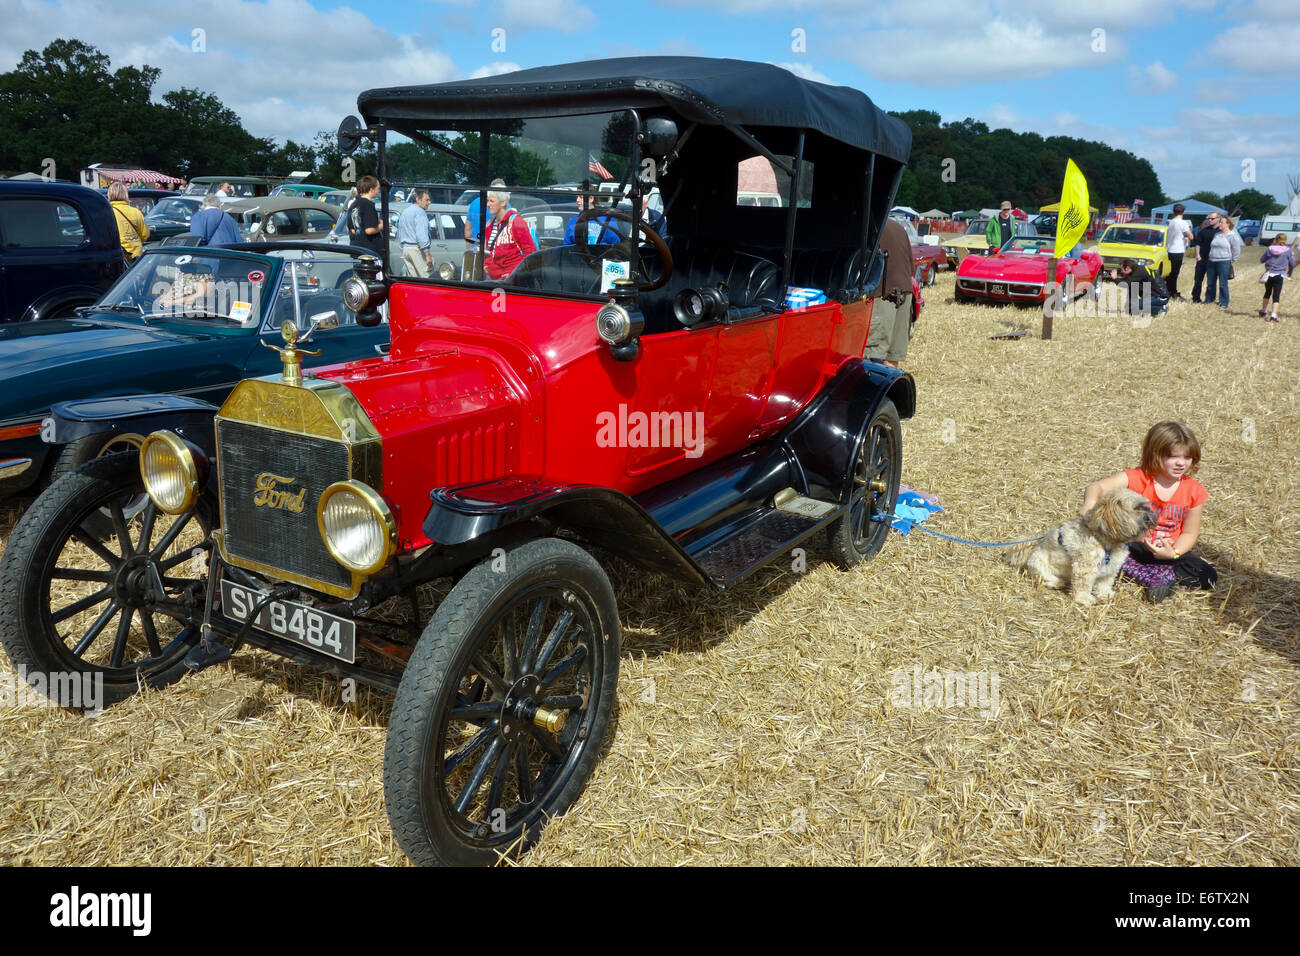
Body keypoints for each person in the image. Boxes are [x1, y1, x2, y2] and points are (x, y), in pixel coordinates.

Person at [1080, 421, 1217, 602]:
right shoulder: (1136, 477)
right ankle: (1154, 576)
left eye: (1187, 457)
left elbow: (1190, 532)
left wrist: (1174, 553)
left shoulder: (1194, 491)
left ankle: (1155, 574)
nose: (1181, 463)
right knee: (1104, 553)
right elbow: (1096, 487)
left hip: (1167, 552)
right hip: (1134, 545)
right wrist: (1090, 504)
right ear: (1155, 454)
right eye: (1173, 457)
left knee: (1207, 576)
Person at [863, 218, 912, 369]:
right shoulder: (898, 227)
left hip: (883, 294)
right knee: (892, 356)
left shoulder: (868, 225)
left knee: (872, 355)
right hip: (905, 292)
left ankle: (870, 389)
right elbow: (911, 264)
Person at [483, 185, 537, 280]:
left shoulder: (516, 222)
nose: (488, 204)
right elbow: (493, 251)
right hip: (493, 278)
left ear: (503, 202)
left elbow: (530, 252)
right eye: (487, 200)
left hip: (511, 280)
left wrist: (514, 273)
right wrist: (487, 263)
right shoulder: (490, 224)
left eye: (491, 201)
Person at [1205, 215, 1242, 310]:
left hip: (1224, 262)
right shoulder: (1217, 235)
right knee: (1210, 282)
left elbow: (1237, 251)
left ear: (1228, 224)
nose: (1219, 223)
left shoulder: (1232, 236)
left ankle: (1224, 302)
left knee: (1222, 283)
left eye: (1222, 222)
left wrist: (1230, 261)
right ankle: (1209, 299)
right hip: (1212, 261)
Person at [107, 182, 149, 261]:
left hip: (119, 256)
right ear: (126, 194)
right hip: (136, 256)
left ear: (110, 194)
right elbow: (145, 235)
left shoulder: (108, 212)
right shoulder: (136, 212)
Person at [1257, 233, 1295, 322]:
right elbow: (1292, 264)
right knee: (1276, 296)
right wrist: (1290, 272)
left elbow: (1262, 260)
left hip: (1269, 275)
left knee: (1267, 292)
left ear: (1276, 240)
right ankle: (1273, 316)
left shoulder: (1270, 249)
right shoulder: (1288, 251)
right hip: (1279, 275)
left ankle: (1263, 311)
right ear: (1285, 241)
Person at [397, 188, 433, 277]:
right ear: (417, 199)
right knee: (427, 278)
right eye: (426, 200)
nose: (429, 202)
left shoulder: (405, 211)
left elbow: (400, 232)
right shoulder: (420, 212)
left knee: (413, 280)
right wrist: (427, 254)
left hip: (406, 249)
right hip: (416, 249)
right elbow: (421, 235)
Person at [348, 176, 385, 256]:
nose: (379, 191)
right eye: (378, 188)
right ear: (371, 189)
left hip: (356, 249)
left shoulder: (353, 204)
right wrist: (382, 226)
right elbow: (369, 230)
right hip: (369, 251)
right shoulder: (368, 204)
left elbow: (349, 229)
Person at [1163, 203, 1194, 299]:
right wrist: (1187, 239)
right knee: (1175, 273)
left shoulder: (1170, 222)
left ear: (1173, 212)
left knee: (1170, 272)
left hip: (1169, 249)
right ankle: (1172, 292)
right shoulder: (1183, 223)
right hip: (1178, 250)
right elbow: (1191, 236)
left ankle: (1167, 290)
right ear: (1183, 212)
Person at [1189, 211, 1221, 303]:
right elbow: (1198, 243)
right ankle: (1195, 298)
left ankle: (1209, 299)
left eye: (1212, 219)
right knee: (1198, 280)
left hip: (1214, 260)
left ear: (1218, 219)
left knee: (1211, 281)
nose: (1209, 220)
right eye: (1209, 218)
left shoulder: (1220, 232)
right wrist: (1197, 255)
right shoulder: (1204, 231)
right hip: (1202, 258)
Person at [465, 178, 505, 245]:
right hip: (492, 249)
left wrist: (468, 248)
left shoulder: (474, 202)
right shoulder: (503, 204)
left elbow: (468, 228)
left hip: (475, 247)